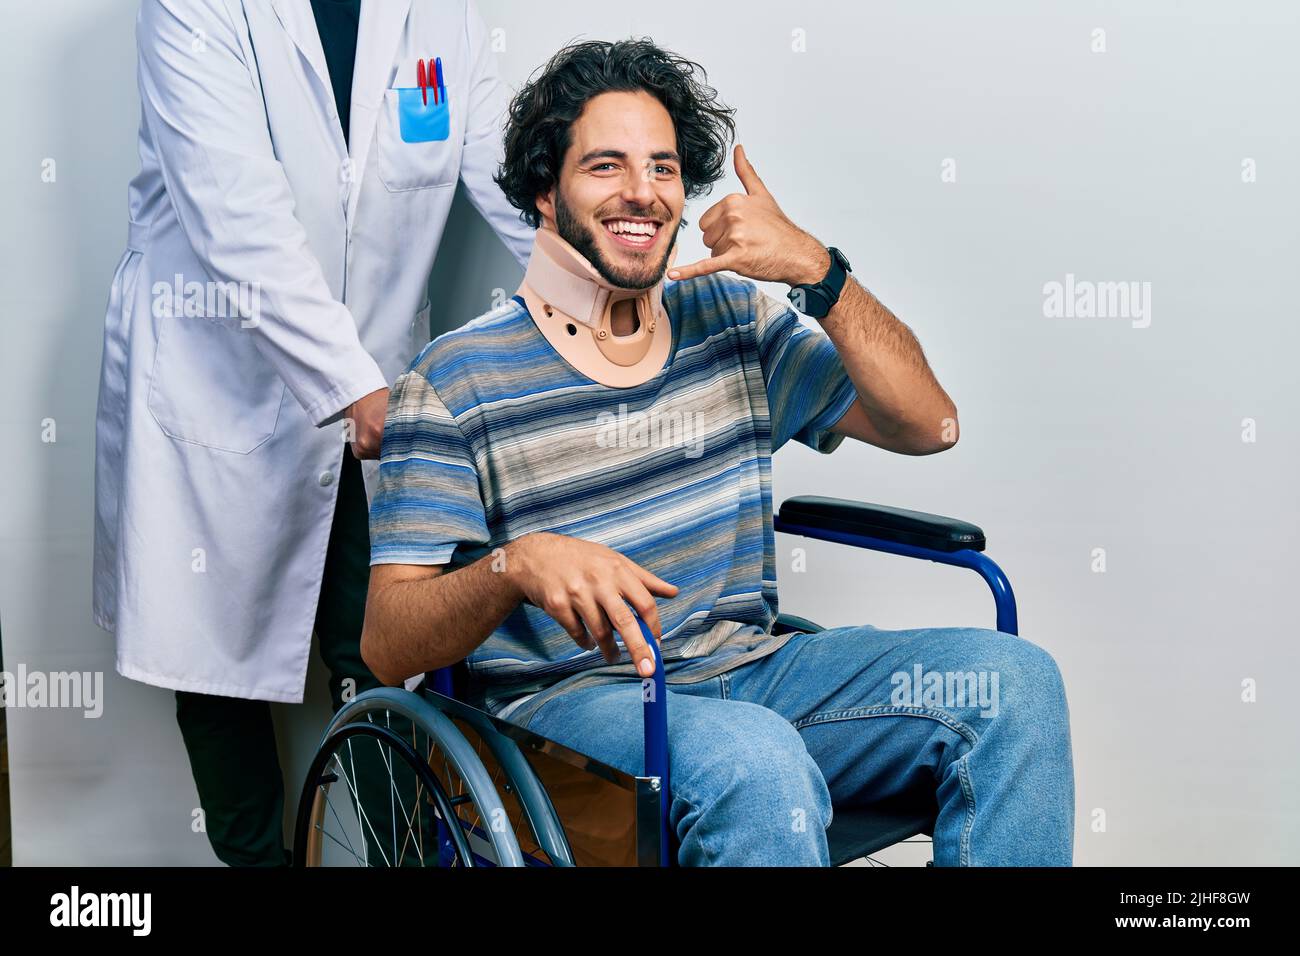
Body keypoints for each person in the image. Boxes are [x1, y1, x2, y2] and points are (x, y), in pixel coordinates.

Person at [360, 38, 1075, 865]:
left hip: (755, 675)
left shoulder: (733, 319)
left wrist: (817, 271)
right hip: (566, 719)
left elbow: (928, 424)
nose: (643, 192)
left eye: (663, 168)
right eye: (605, 166)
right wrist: (515, 565)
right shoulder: (455, 377)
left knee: (1013, 685)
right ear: (543, 193)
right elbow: (386, 642)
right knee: (754, 765)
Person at [92, 0, 533, 865]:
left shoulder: (442, 14)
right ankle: (255, 861)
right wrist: (354, 386)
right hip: (215, 375)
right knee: (211, 656)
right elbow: (237, 218)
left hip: (374, 379)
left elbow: (512, 180)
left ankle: (393, 856)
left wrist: (617, 286)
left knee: (378, 647)